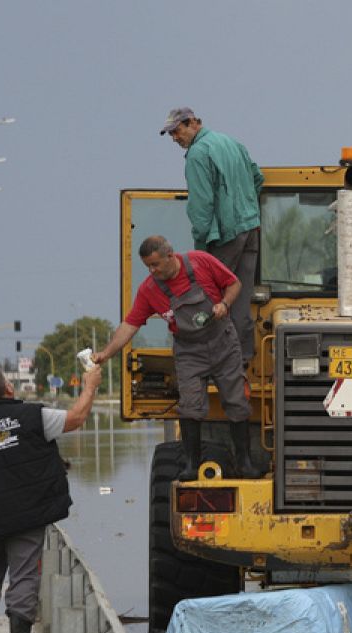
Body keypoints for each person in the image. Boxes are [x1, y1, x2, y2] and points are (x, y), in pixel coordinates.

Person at [0, 364, 101, 633]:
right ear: (8, 389)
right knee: (24, 573)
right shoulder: (35, 416)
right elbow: (77, 417)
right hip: (27, 512)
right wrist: (91, 385)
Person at [91, 235, 257, 480]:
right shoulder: (149, 289)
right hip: (189, 352)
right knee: (190, 406)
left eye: (155, 264)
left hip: (223, 343)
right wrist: (105, 354)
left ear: (170, 256)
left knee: (236, 402)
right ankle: (191, 465)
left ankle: (244, 464)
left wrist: (224, 303)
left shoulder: (200, 262)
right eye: (148, 266)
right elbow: (129, 325)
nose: (152, 270)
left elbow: (234, 284)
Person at [160, 107, 263, 363]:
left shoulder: (197, 154)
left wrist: (199, 248)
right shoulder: (231, 142)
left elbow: (201, 205)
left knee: (205, 297)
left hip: (224, 235)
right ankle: (243, 359)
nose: (174, 138)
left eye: (176, 131)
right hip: (250, 230)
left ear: (192, 123)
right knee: (239, 297)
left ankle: (208, 361)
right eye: (171, 133)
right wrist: (246, 207)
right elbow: (257, 177)